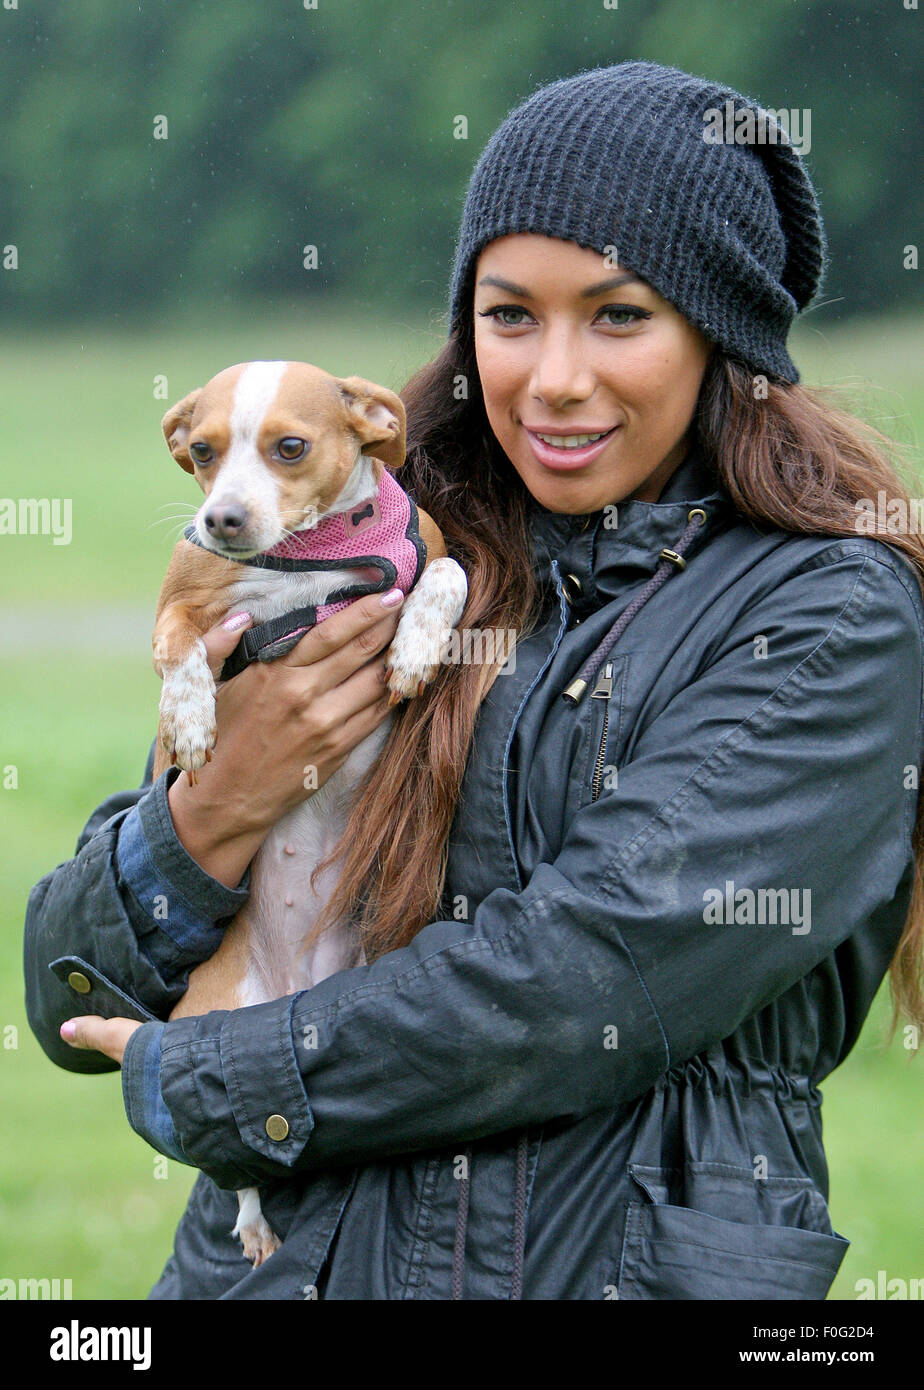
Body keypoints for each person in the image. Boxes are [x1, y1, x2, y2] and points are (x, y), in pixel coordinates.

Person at [24, 60, 924, 1300]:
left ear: (721, 332)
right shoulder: (368, 549)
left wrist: (212, 1078)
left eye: (619, 315)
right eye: (510, 315)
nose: (553, 375)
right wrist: (210, 810)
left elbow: (582, 978)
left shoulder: (828, 614)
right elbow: (76, 988)